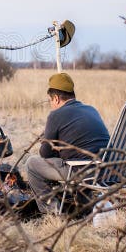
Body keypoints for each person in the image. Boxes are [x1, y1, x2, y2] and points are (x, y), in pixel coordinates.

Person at [25, 72, 110, 213]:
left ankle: (52, 211)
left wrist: (49, 144)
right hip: (108, 169)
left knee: (31, 164)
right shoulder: (91, 109)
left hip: (82, 172)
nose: (51, 105)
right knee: (82, 159)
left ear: (56, 98)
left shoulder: (56, 115)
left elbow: (45, 154)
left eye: (50, 101)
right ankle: (84, 209)